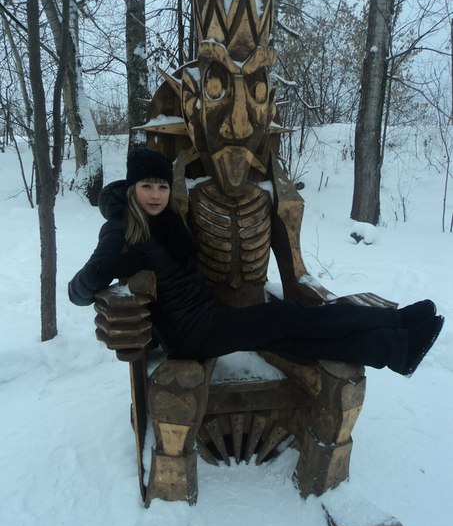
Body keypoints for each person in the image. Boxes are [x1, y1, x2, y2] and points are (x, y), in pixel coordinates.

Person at [69, 148, 444, 377]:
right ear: (132, 188)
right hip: (191, 335)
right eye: (147, 186)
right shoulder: (120, 229)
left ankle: (393, 346)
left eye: (162, 186)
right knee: (292, 317)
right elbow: (77, 291)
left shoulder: (163, 221)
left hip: (207, 318)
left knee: (292, 337)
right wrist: (116, 267)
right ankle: (393, 325)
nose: (156, 194)